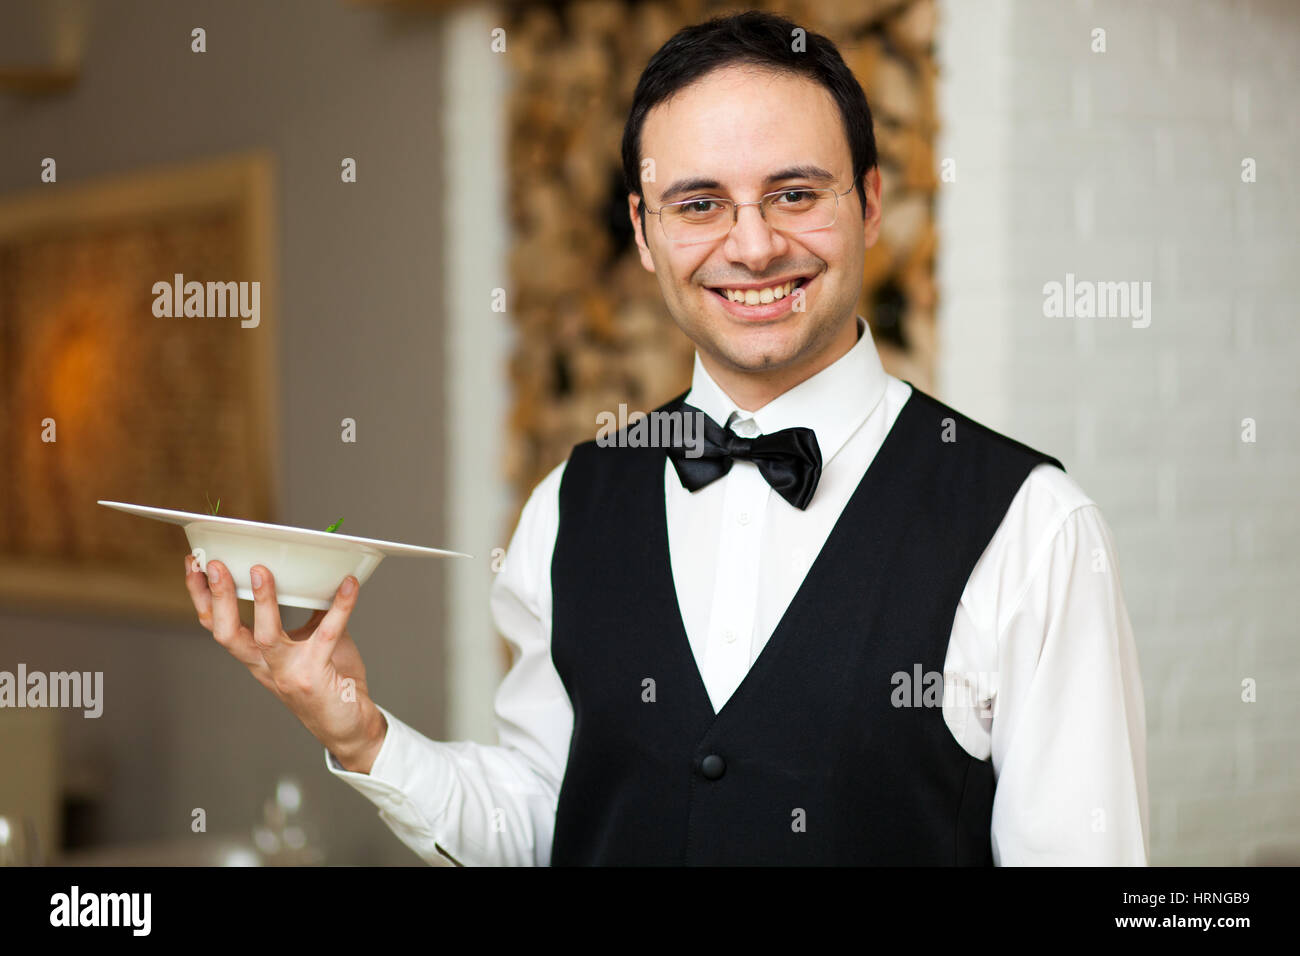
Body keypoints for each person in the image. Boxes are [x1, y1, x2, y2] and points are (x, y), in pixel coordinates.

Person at [185, 10, 1148, 866]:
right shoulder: (572, 504)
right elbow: (541, 821)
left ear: (869, 202)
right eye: (699, 204)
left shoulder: (1033, 529)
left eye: (795, 193)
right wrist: (358, 735)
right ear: (646, 235)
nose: (754, 244)